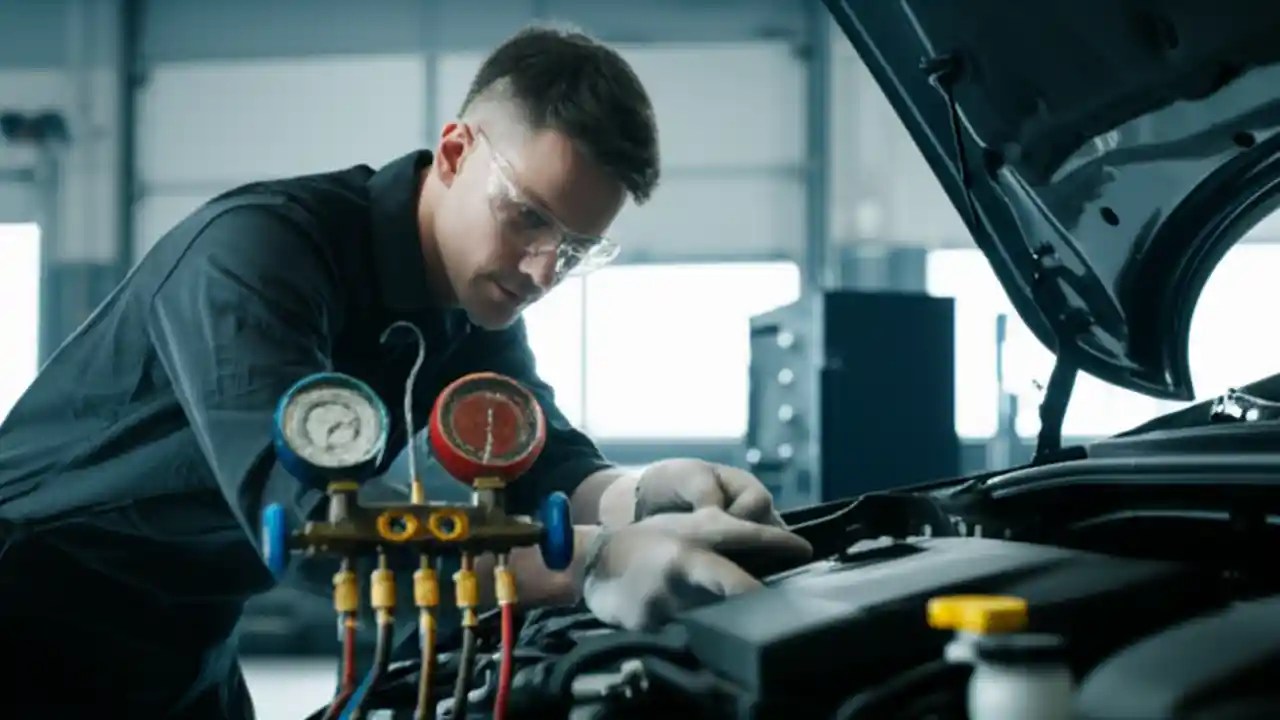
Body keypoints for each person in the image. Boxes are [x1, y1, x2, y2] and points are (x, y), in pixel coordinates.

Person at [0, 24, 811, 719]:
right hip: (35, 612)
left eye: (573, 251)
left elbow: (541, 461)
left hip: (186, 641)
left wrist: (650, 493)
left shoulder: (467, 302)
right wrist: (589, 564)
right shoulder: (258, 258)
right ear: (456, 152)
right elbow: (318, 527)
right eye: (527, 216)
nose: (539, 270)